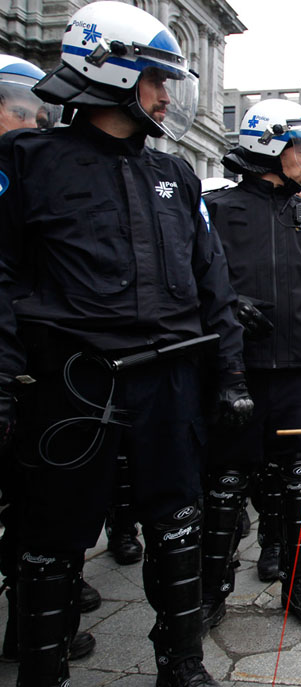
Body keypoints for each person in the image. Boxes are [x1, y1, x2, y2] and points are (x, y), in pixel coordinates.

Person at [0, 4, 253, 685]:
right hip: (71, 384)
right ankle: (41, 669)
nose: (167, 96)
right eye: (156, 79)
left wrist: (229, 371)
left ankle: (183, 665)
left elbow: (213, 284)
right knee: (51, 540)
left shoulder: (175, 177)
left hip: (168, 386)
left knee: (177, 523)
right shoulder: (27, 164)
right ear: (112, 73)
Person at [199, 98, 301, 634]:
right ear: (269, 144)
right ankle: (210, 591)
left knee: (300, 484)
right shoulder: (217, 211)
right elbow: (186, 283)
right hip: (235, 376)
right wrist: (222, 305)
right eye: (300, 148)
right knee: (224, 487)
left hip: (299, 380)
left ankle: (298, 583)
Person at [0, 51, 100, 668]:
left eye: (40, 110)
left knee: (31, 505)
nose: (35, 121)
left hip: (31, 366)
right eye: (19, 109)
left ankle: (29, 623)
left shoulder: (39, 174)